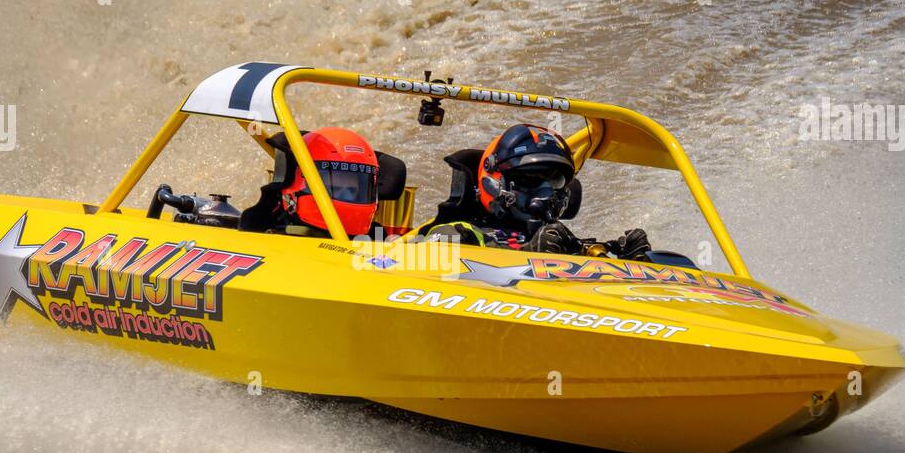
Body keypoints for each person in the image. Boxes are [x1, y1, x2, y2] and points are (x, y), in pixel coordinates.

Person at [427, 123, 651, 258]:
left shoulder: (561, 242)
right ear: (495, 182)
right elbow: (432, 267)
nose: (545, 192)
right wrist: (527, 255)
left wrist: (635, 263)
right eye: (529, 179)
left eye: (554, 181)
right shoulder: (457, 233)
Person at [274, 127, 380, 236]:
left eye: (351, 191)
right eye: (335, 189)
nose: (346, 196)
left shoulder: (382, 242)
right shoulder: (268, 236)